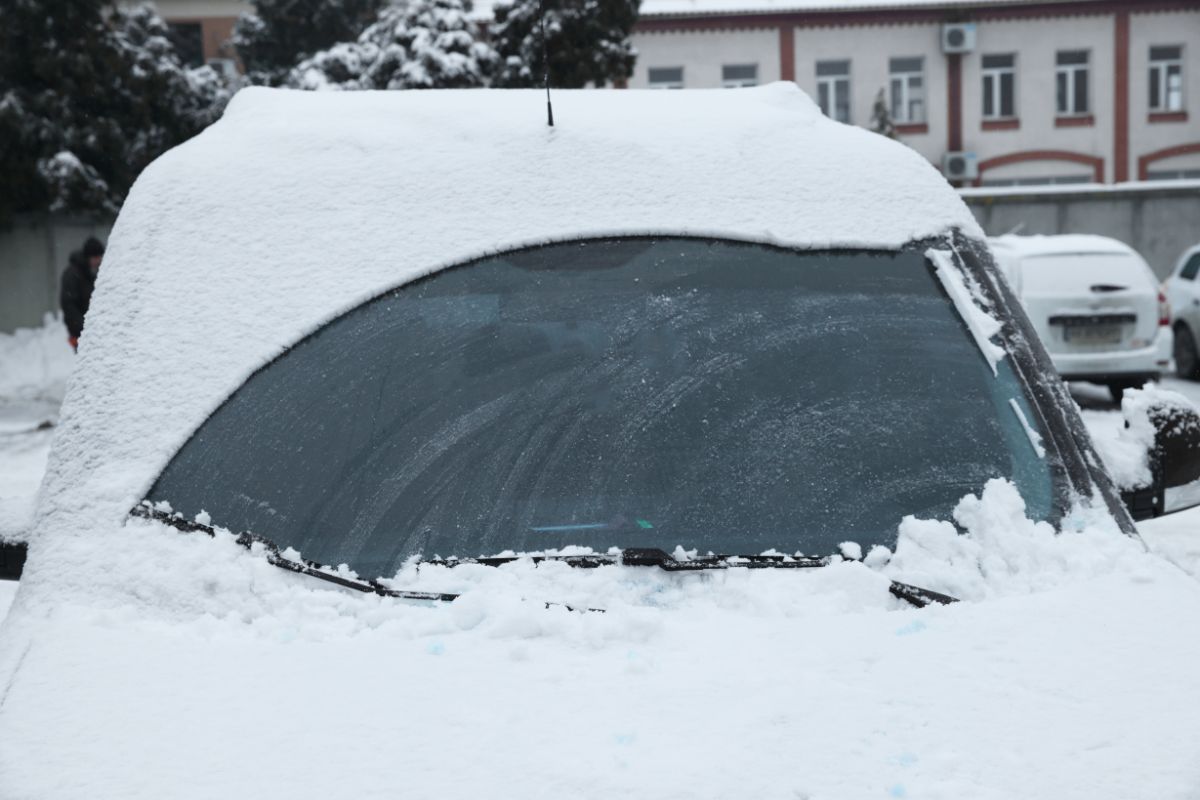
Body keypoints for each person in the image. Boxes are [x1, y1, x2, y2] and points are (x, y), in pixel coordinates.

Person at [60, 236, 104, 351]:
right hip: (80, 332)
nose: (99, 261)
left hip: (89, 330)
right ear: (89, 256)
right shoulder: (73, 275)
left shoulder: (89, 272)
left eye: (100, 257)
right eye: (96, 257)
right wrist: (84, 328)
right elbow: (69, 305)